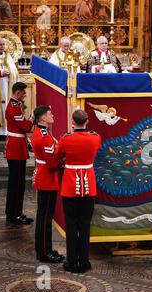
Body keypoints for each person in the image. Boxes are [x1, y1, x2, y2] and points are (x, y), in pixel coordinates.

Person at [56, 109, 101, 273]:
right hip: (88, 186)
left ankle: (71, 262)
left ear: (72, 122)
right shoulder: (95, 137)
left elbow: (57, 156)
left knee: (71, 225)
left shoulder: (65, 139)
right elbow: (96, 147)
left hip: (69, 187)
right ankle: (84, 261)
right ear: (87, 121)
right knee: (85, 225)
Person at [31, 105, 65, 263]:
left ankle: (45, 249)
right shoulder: (44, 136)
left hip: (45, 177)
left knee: (44, 216)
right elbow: (51, 163)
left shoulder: (42, 132)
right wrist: (62, 159)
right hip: (47, 179)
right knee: (45, 218)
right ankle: (44, 252)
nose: (52, 115)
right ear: (43, 118)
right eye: (50, 114)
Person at [5, 82, 34, 225]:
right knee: (17, 183)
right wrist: (33, 118)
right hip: (15, 149)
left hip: (17, 146)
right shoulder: (14, 109)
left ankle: (13, 212)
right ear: (17, 94)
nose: (25, 95)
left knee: (16, 182)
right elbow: (26, 127)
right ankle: (15, 214)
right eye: (23, 93)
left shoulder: (15, 106)